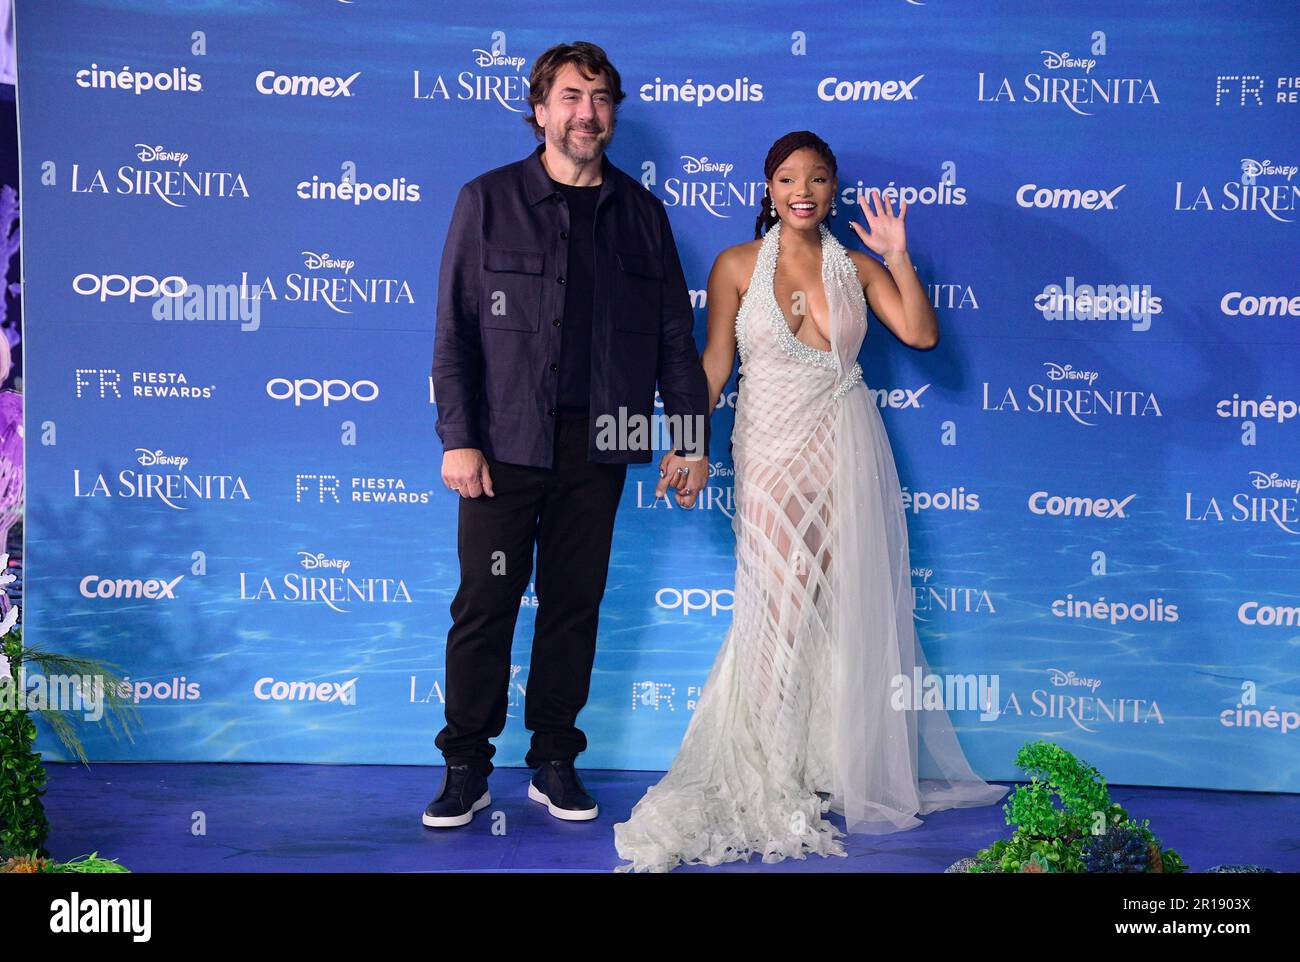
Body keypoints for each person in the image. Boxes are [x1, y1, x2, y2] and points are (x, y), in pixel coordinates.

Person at [612, 131, 1007, 872]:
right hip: (768, 450)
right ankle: (765, 770)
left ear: (833, 191)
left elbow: (920, 334)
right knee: (776, 607)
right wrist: (690, 442)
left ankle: (822, 762)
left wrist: (895, 254)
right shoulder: (735, 265)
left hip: (848, 449)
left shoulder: (856, 268)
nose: (804, 189)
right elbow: (716, 363)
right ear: (768, 189)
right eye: (789, 177)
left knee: (836, 609)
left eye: (819, 179)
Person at [424, 42, 710, 829]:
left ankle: (555, 759)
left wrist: (687, 438)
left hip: (604, 440)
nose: (589, 113)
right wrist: (459, 436)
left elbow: (672, 342)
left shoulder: (642, 213)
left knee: (574, 602)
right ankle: (464, 767)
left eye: (603, 98)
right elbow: (453, 331)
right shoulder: (485, 200)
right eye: (574, 97)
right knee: (486, 601)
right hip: (503, 442)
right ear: (542, 109)